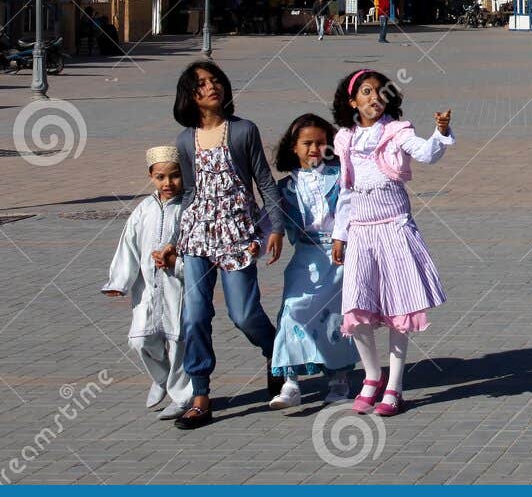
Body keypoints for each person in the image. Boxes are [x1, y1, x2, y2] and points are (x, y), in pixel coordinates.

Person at [163, 61, 286, 430]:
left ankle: (275, 354)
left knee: (244, 314)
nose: (211, 87)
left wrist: (276, 227)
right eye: (201, 84)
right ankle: (201, 395)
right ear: (191, 95)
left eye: (215, 80)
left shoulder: (243, 131)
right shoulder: (185, 139)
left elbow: (265, 182)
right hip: (197, 235)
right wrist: (173, 241)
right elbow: (188, 195)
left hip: (236, 233)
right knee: (195, 314)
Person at [332, 69, 455, 417]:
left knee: (399, 309)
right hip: (360, 232)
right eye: (366, 92)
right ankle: (371, 376)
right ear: (352, 101)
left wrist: (441, 132)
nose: (374, 98)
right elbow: (345, 192)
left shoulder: (397, 132)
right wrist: (340, 235)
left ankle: (395, 386)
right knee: (356, 308)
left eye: (380, 93)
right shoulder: (345, 139)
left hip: (394, 230)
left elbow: (428, 154)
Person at [268, 114, 359, 411]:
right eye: (307, 143)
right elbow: (270, 222)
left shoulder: (342, 176)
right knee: (292, 310)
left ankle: (339, 379)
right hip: (305, 257)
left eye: (321, 143)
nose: (314, 149)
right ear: (293, 147)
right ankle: (291, 381)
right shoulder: (284, 188)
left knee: (336, 319)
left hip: (339, 256)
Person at [103, 146, 192, 421]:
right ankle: (161, 377)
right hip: (147, 290)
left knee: (179, 341)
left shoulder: (190, 208)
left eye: (175, 176)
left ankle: (182, 396)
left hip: (178, 289)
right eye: (161, 177)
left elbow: (197, 252)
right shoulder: (143, 209)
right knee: (140, 339)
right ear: (151, 176)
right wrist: (119, 280)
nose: (168, 183)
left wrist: (176, 263)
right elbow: (128, 246)